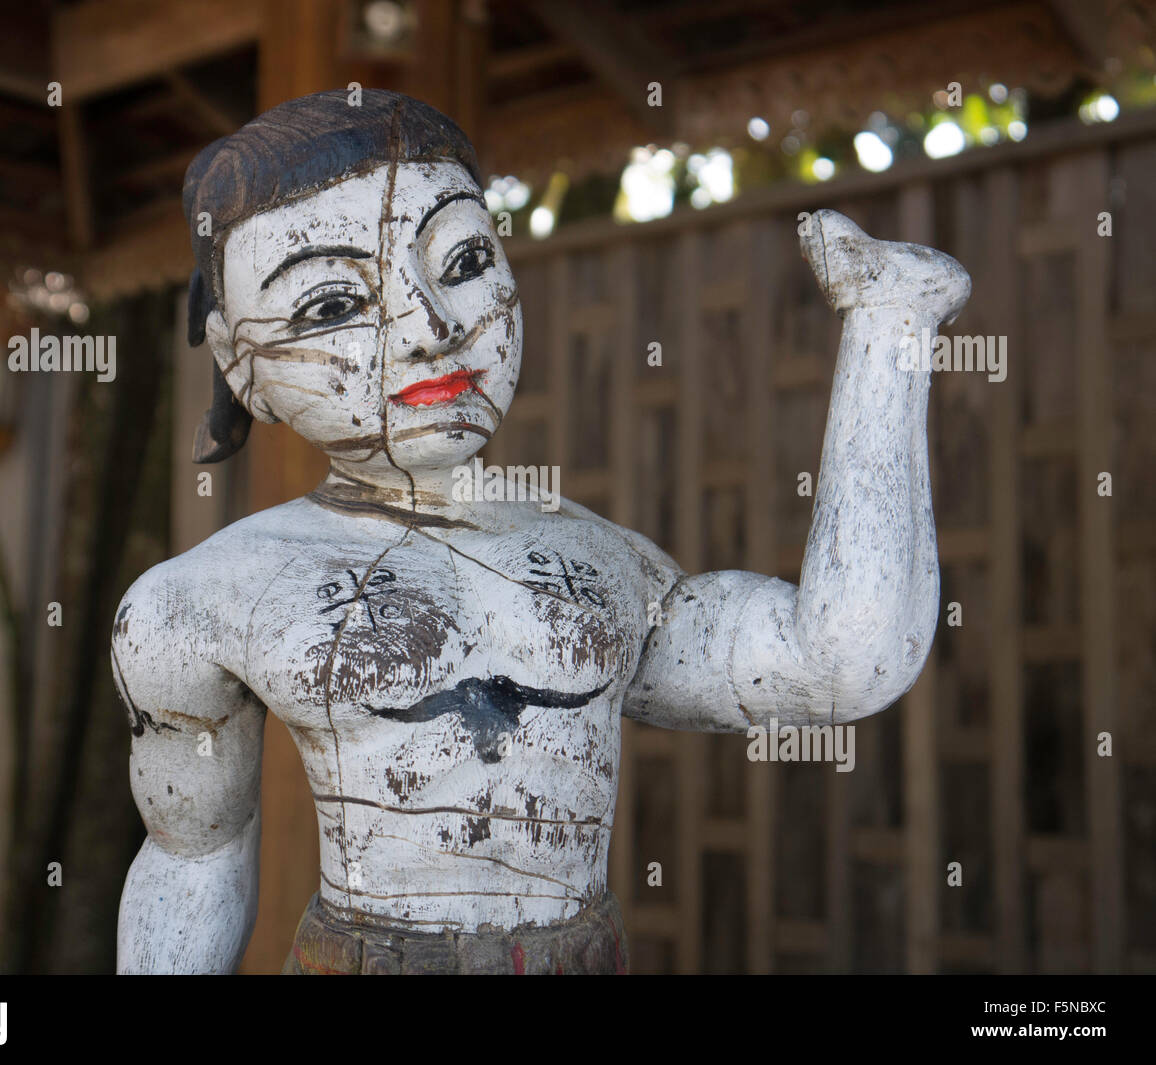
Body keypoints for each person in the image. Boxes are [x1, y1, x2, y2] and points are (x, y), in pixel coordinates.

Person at [113, 89, 970, 974]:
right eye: (333, 306)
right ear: (236, 364)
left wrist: (888, 331)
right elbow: (192, 856)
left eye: (463, 258)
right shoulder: (197, 603)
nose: (430, 330)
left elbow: (835, 662)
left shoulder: (602, 562)